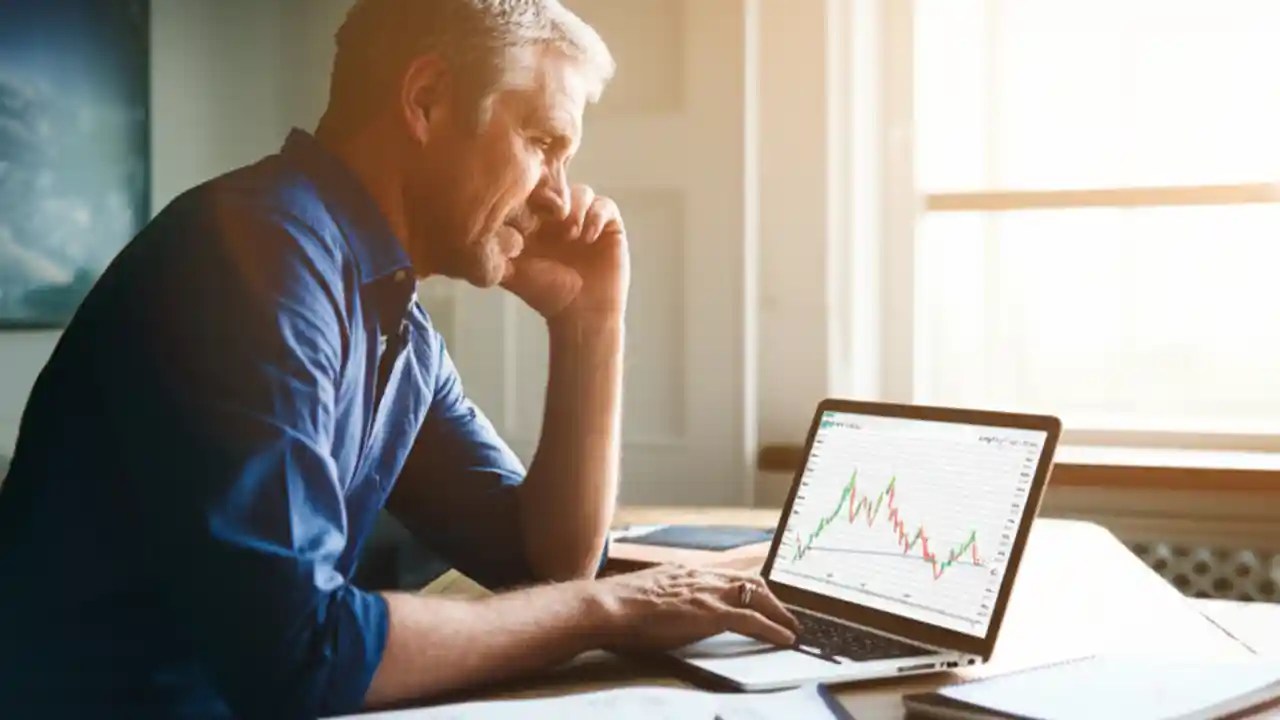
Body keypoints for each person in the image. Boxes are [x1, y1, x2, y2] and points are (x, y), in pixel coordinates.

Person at [0, 1, 799, 717]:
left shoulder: (388, 317)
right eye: (542, 142)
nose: (559, 195)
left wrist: (589, 322)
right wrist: (615, 610)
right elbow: (303, 652)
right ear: (426, 99)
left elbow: (547, 561)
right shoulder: (257, 259)